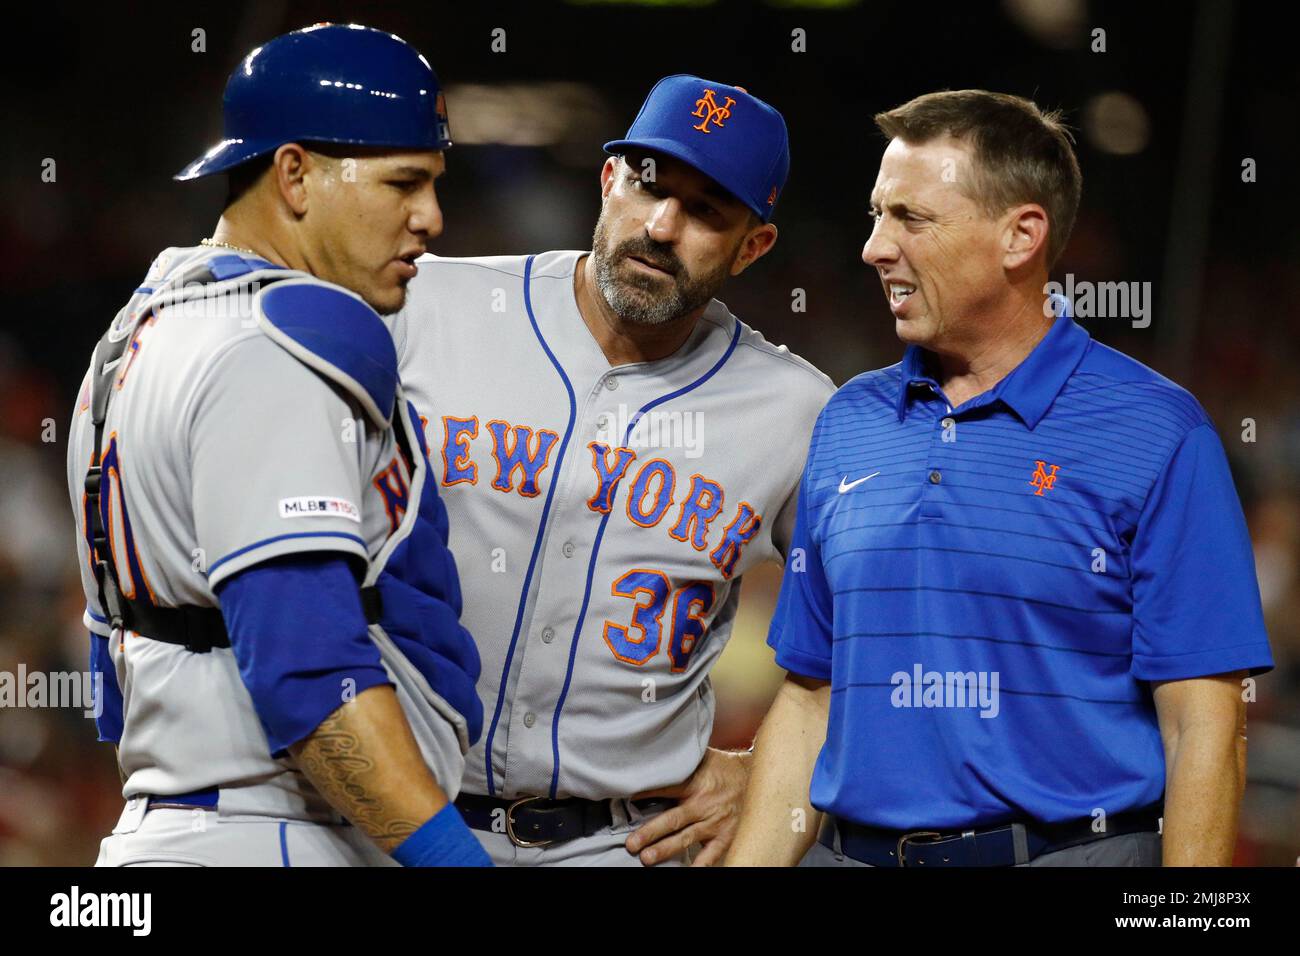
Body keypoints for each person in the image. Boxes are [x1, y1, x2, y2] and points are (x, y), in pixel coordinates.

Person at [727, 89, 1273, 867]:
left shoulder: (1157, 431)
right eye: (877, 215)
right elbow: (812, 695)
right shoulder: (849, 421)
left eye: (911, 218)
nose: (875, 247)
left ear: (1021, 236)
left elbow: (1204, 724)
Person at [66, 23, 487, 867]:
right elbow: (307, 671)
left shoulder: (143, 327)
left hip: (179, 820)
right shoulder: (275, 342)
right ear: (294, 173)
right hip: (278, 831)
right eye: (404, 181)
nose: (431, 217)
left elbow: (106, 671)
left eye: (435, 184)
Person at [388, 75, 834, 865]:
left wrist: (761, 771)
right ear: (607, 181)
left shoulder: (795, 408)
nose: (662, 225)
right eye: (648, 184)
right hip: (394, 823)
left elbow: (877, 634)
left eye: (706, 211)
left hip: (621, 844)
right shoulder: (427, 307)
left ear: (753, 245)